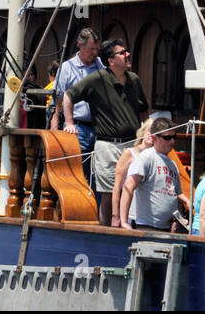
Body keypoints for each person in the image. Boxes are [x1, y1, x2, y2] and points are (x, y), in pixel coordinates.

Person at [62, 38, 148, 225]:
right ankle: (105, 231)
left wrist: (146, 134)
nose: (127, 55)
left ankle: (127, 227)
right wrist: (69, 122)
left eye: (127, 51)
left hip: (132, 145)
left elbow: (143, 109)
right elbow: (69, 96)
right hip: (108, 146)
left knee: (132, 189)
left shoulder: (134, 80)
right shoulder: (97, 79)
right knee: (108, 195)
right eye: (122, 52)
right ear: (110, 60)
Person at [50, 28, 104, 179]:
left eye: (97, 49)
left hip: (99, 127)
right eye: (91, 49)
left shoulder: (100, 66)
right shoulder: (66, 68)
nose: (95, 53)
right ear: (80, 45)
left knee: (98, 175)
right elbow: (57, 99)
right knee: (76, 172)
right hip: (75, 128)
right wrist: (55, 126)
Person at [119, 118, 188, 232]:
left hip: (167, 229)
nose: (172, 142)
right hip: (147, 228)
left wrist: (179, 220)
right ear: (155, 137)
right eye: (167, 138)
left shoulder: (173, 164)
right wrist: (124, 222)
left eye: (174, 137)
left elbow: (174, 196)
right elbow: (128, 187)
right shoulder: (146, 158)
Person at [111, 118, 156, 227]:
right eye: (150, 130)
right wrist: (115, 216)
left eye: (156, 132)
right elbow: (117, 186)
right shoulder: (129, 153)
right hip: (130, 215)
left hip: (149, 217)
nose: (152, 134)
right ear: (143, 131)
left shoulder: (157, 157)